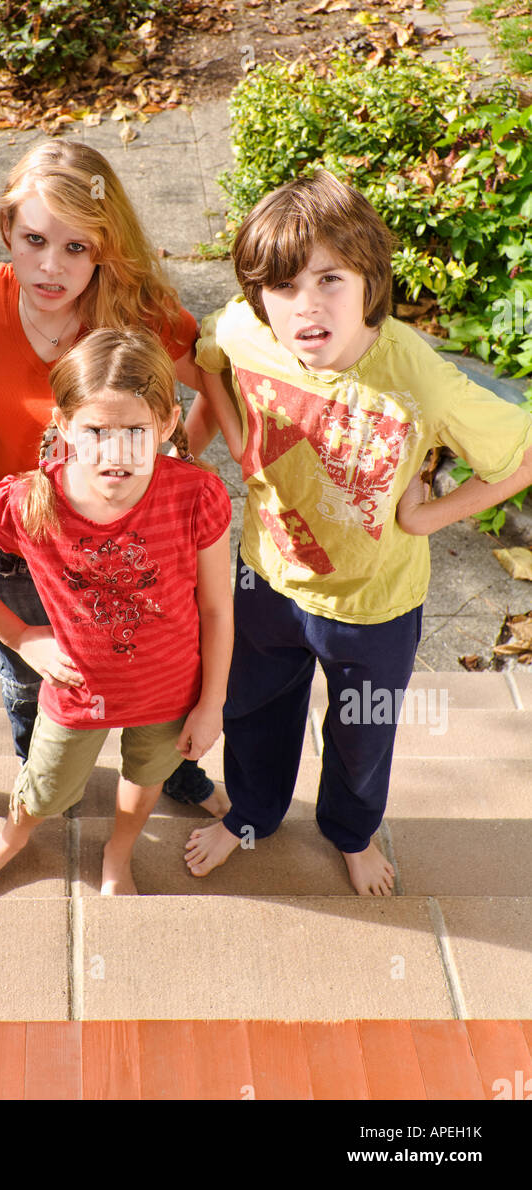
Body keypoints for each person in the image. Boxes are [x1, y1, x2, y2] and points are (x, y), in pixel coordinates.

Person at [185, 169, 532, 896]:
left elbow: (521, 454)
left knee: (362, 735)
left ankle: (350, 832)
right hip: (267, 579)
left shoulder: (419, 376)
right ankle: (250, 813)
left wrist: (426, 516)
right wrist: (224, 440)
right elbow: (205, 358)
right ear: (258, 297)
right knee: (255, 710)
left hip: (374, 605)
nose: (306, 307)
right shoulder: (247, 329)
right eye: (283, 288)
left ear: (371, 277)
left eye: (330, 280)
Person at [0, 138, 228, 815]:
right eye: (34, 240)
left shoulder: (140, 316)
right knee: (32, 683)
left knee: (158, 661)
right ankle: (45, 776)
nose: (52, 267)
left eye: (77, 248)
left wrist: (170, 467)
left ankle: (169, 766)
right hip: (16, 542)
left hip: (120, 534)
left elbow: (209, 391)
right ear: (6, 230)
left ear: (104, 247)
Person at [0, 329, 233, 897]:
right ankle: (11, 840)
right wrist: (21, 636)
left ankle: (119, 849)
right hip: (76, 693)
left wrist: (211, 703)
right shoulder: (28, 501)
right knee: (44, 788)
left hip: (171, 691)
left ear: (168, 423)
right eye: (96, 430)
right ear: (65, 424)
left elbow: (217, 609)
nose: (116, 452)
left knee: (146, 776)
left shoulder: (197, 496)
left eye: (136, 432)